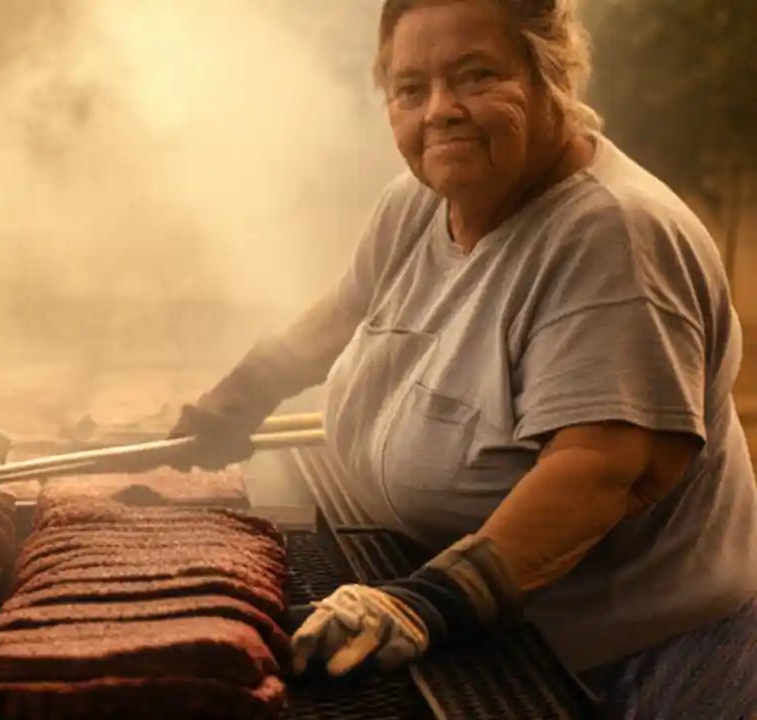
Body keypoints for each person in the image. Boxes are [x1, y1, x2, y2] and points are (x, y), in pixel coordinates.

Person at [169, 0, 757, 715]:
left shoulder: (614, 239)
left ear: (552, 75)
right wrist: (236, 398)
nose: (440, 111)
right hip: (505, 635)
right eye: (410, 89)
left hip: (628, 668)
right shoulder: (420, 201)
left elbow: (601, 471)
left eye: (475, 77)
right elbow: (342, 314)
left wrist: (427, 602)